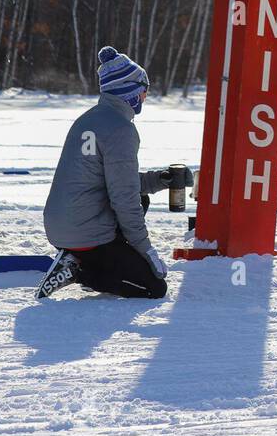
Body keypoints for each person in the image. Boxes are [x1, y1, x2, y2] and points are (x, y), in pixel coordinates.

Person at [36, 46, 188, 300]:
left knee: (142, 198)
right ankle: (79, 269)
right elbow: (124, 198)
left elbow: (117, 183)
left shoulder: (89, 119)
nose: (145, 98)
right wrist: (146, 250)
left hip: (61, 226)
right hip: (84, 232)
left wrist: (160, 180)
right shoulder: (121, 130)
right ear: (129, 92)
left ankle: (86, 259)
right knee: (153, 288)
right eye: (143, 92)